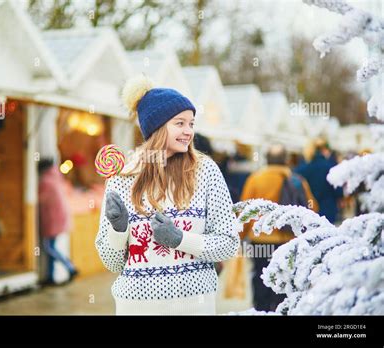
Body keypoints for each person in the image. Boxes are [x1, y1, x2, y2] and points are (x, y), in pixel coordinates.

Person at [95, 75, 240, 315]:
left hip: (194, 306)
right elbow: (112, 262)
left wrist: (180, 239)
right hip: (136, 307)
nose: (188, 132)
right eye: (179, 123)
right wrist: (117, 230)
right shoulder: (122, 177)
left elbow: (228, 244)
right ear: (157, 127)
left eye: (191, 124)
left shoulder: (204, 171)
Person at [240, 143, 318, 311]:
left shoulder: (255, 178)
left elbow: (245, 213)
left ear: (267, 158)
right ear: (286, 160)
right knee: (285, 280)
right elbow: (312, 208)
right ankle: (281, 309)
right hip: (288, 242)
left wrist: (239, 237)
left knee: (260, 277)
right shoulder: (298, 181)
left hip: (261, 240)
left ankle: (261, 310)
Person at [38, 158, 78, 284]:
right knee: (51, 246)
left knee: (48, 247)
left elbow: (40, 199)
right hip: (59, 217)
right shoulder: (56, 178)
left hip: (53, 218)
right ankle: (50, 276)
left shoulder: (46, 181)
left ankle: (70, 267)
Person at [294, 138, 343, 224]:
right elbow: (338, 191)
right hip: (328, 208)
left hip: (308, 207)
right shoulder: (331, 168)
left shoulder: (302, 169)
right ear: (324, 150)